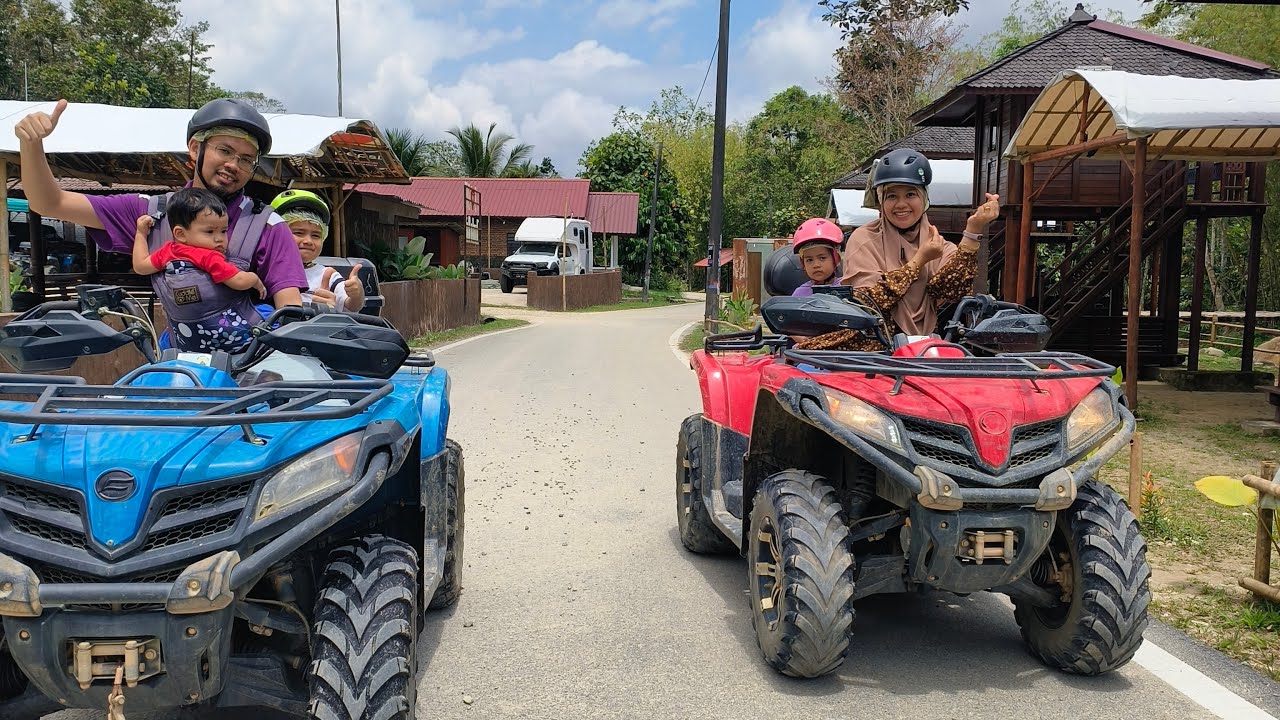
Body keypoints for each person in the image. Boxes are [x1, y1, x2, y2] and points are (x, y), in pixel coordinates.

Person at [14, 97, 307, 352]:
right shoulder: (149, 212)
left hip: (252, 368)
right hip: (182, 364)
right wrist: (31, 145)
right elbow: (49, 203)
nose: (234, 164)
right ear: (195, 148)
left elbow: (289, 309)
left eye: (246, 159)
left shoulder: (268, 225)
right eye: (225, 150)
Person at [841, 147, 1000, 339]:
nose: (901, 204)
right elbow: (869, 301)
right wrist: (919, 261)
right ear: (880, 201)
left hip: (924, 350)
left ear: (924, 198)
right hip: (872, 353)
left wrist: (973, 230)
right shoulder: (864, 239)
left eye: (910, 194)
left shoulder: (937, 244)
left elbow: (953, 290)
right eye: (891, 196)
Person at [133, 187, 267, 302]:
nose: (219, 239)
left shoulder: (168, 252)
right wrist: (254, 279)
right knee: (266, 312)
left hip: (182, 327)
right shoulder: (209, 257)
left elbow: (140, 267)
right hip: (217, 324)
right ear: (180, 234)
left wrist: (141, 233)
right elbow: (239, 281)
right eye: (210, 232)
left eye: (223, 231)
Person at [270, 189, 365, 312]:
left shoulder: (327, 275)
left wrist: (357, 294)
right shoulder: (263, 270)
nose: (308, 241)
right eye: (299, 233)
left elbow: (351, 306)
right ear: (276, 234)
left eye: (316, 235)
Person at [789, 218, 842, 297]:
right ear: (803, 263)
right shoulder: (800, 294)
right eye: (809, 260)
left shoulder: (846, 288)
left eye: (822, 258)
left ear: (836, 258)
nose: (816, 265)